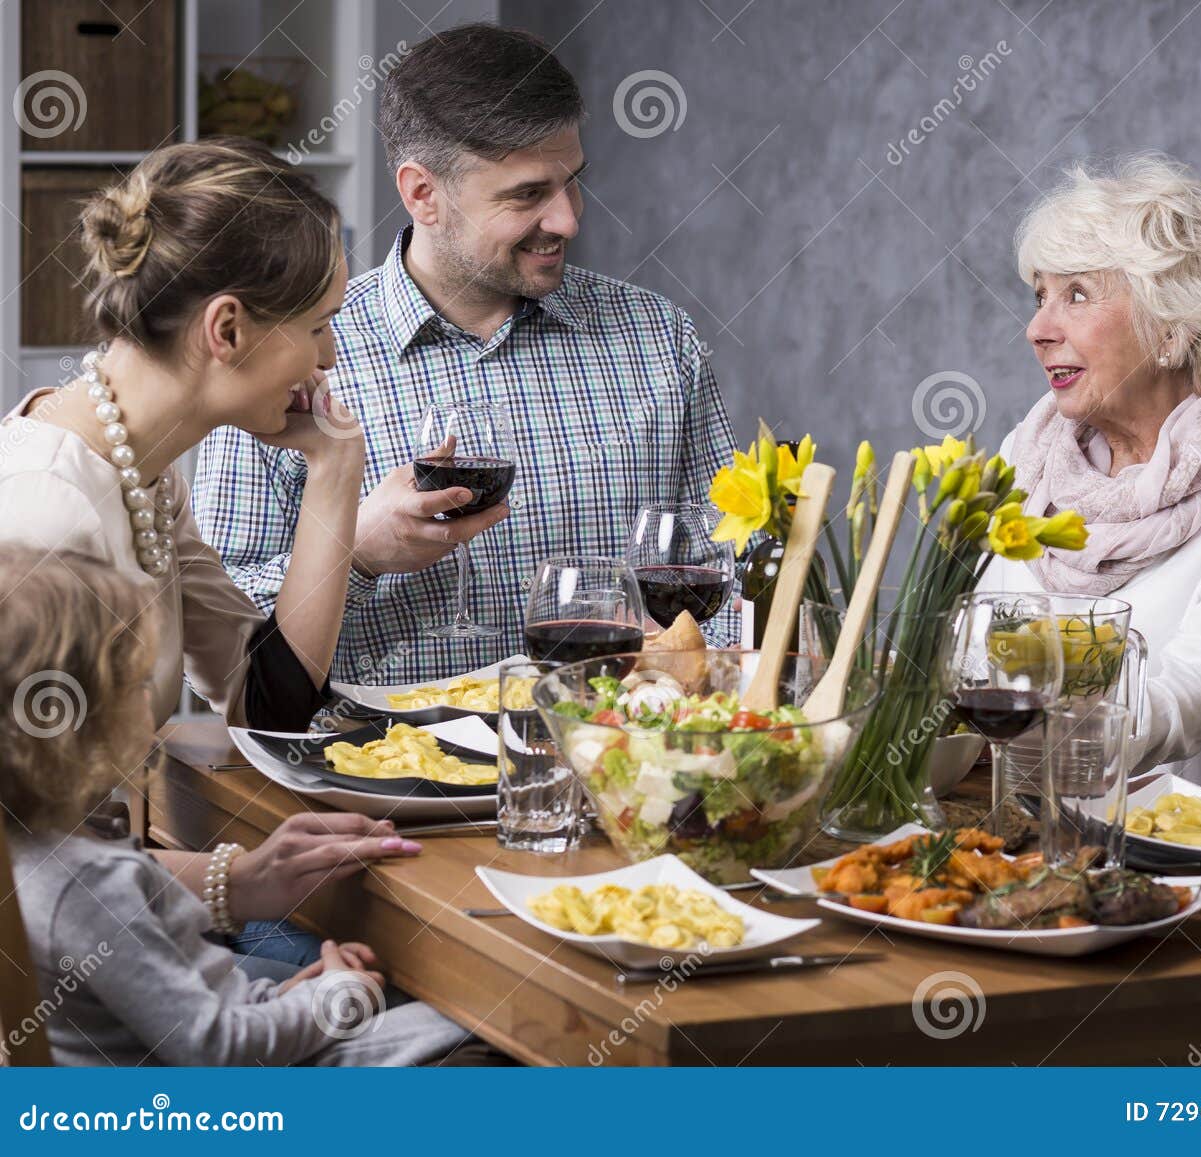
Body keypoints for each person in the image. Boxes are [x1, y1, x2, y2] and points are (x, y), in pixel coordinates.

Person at [193, 24, 738, 683]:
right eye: (528, 194)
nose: (568, 219)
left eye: (571, 182)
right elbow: (217, 653)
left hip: (615, 770)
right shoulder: (288, 356)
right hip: (385, 778)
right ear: (423, 193)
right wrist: (356, 553)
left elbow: (729, 584)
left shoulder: (660, 339)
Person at [0, 139, 424, 967]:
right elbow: (29, 869)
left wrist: (336, 469)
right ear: (226, 328)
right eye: (316, 325)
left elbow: (264, 700)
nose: (331, 355)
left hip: (117, 912)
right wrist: (241, 881)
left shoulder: (142, 474)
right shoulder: (44, 510)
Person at [3, 550, 484, 1065]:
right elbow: (216, 1047)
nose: (152, 699)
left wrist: (284, 1001)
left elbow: (182, 1011)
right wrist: (338, 998)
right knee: (473, 1042)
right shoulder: (90, 883)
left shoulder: (40, 847)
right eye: (136, 684)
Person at [980, 153, 1201, 786]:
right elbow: (978, 649)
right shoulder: (1025, 455)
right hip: (1007, 821)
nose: (1036, 328)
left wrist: (1036, 736)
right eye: (1040, 296)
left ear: (1173, 329)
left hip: (1172, 853)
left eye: (1077, 295)